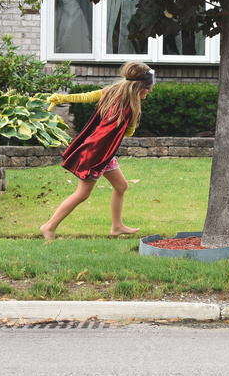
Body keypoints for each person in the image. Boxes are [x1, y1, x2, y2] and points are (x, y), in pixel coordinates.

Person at [39, 61, 154, 241]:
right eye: (148, 87)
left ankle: (117, 226)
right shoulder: (130, 105)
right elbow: (129, 132)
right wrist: (131, 123)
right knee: (82, 194)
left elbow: (86, 96)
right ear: (138, 87)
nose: (150, 91)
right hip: (95, 154)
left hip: (104, 153)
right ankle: (49, 226)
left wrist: (62, 98)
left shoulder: (113, 91)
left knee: (121, 186)